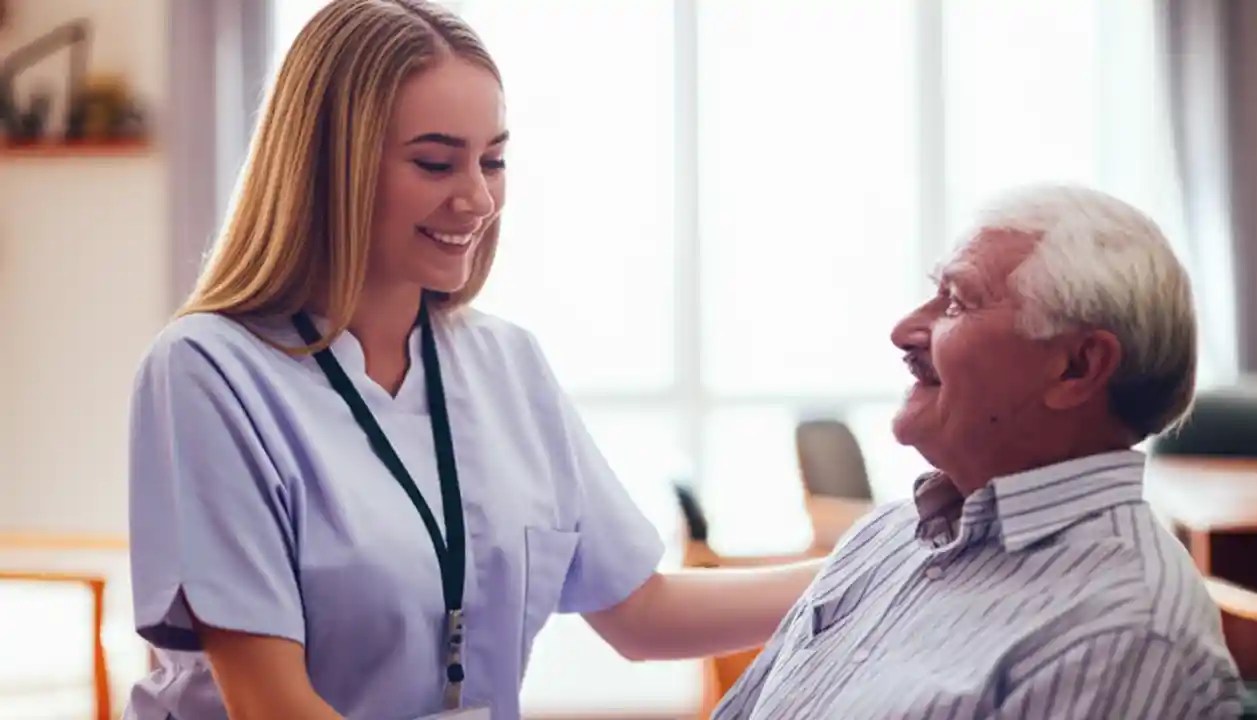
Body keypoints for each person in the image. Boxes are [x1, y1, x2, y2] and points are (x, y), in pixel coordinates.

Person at [123, 2, 818, 718]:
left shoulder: (505, 363)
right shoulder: (208, 372)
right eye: (435, 162)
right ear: (329, 165)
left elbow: (642, 612)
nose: (479, 199)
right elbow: (273, 704)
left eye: (493, 160)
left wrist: (878, 564)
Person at [713, 185, 1245, 719]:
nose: (903, 332)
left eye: (956, 301)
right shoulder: (887, 537)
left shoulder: (1122, 631)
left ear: (1077, 367)